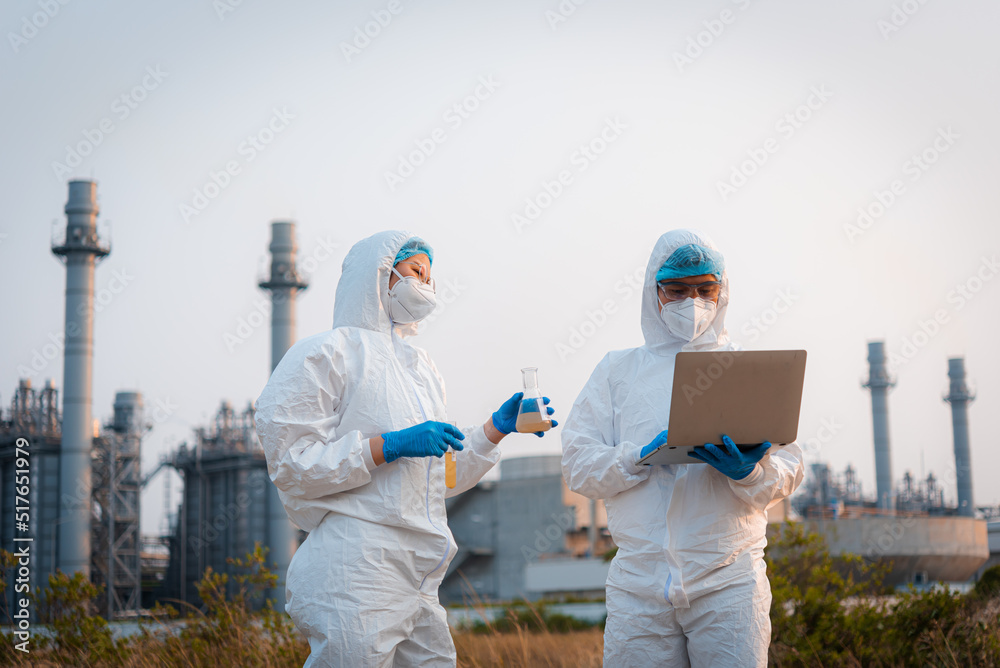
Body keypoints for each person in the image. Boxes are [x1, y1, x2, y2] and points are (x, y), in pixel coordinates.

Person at [253, 230, 556, 667]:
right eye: (417, 271)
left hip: (419, 571)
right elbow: (292, 465)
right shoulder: (326, 353)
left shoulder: (421, 368)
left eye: (431, 278)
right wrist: (386, 447)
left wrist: (493, 430)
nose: (426, 286)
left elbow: (438, 479)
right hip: (356, 564)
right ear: (381, 274)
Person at [560, 229, 803, 667]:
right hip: (640, 585)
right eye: (677, 290)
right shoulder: (618, 372)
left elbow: (790, 466)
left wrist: (750, 473)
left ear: (721, 291)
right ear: (655, 292)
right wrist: (635, 457)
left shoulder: (749, 369)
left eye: (704, 289)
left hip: (729, 579)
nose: (692, 302)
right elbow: (578, 465)